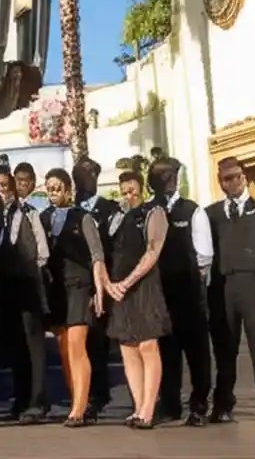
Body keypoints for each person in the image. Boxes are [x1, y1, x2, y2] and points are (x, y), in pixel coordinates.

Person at [205, 157, 255, 430]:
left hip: (254, 286)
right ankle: (222, 405)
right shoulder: (211, 214)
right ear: (220, 182)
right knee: (224, 349)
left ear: (245, 177)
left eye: (236, 176)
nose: (231, 182)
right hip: (222, 287)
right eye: (225, 178)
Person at [147, 157, 214, 426]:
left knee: (197, 352)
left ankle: (199, 404)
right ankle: (170, 404)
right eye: (161, 176)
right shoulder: (149, 210)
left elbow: (204, 254)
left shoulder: (192, 211)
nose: (167, 181)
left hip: (188, 292)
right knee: (166, 351)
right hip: (159, 293)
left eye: (170, 175)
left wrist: (197, 286)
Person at [40, 168, 108, 428]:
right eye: (49, 188)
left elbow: (97, 256)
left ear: (68, 190)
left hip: (79, 285)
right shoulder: (43, 218)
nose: (53, 192)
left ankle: (79, 409)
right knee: (64, 348)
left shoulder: (82, 217)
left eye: (57, 187)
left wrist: (99, 290)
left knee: (77, 345)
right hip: (56, 288)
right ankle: (76, 400)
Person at [105, 171, 172, 430]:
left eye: (132, 190)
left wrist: (129, 281)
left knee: (147, 346)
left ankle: (148, 410)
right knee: (128, 347)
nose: (128, 195)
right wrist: (111, 285)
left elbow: (153, 251)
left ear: (142, 188)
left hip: (144, 287)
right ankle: (137, 406)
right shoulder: (117, 216)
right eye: (124, 191)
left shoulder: (154, 212)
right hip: (120, 290)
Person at [0, 165, 50, 424]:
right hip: (2, 287)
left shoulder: (28, 212)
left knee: (33, 344)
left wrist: (32, 273)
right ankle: (21, 397)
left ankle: (37, 400)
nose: (1, 190)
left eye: (5, 185)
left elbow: (42, 251)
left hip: (26, 285)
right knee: (14, 345)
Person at [74, 159, 123, 420]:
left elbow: (115, 248)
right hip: (79, 285)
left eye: (88, 175)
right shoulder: (70, 210)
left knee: (104, 342)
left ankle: (103, 396)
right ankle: (90, 396)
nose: (83, 181)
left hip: (106, 283)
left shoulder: (110, 209)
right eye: (78, 176)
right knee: (86, 344)